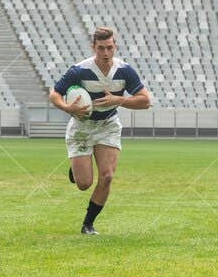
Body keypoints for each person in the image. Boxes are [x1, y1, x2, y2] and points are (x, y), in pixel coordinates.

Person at [49, 26, 151, 235]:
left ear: (115, 47)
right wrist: (67, 108)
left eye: (110, 48)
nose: (106, 53)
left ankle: (88, 224)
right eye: (101, 48)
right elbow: (54, 94)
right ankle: (77, 169)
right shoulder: (79, 70)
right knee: (84, 184)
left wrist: (120, 99)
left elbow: (145, 101)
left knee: (107, 176)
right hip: (82, 127)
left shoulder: (124, 71)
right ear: (93, 47)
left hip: (108, 125)